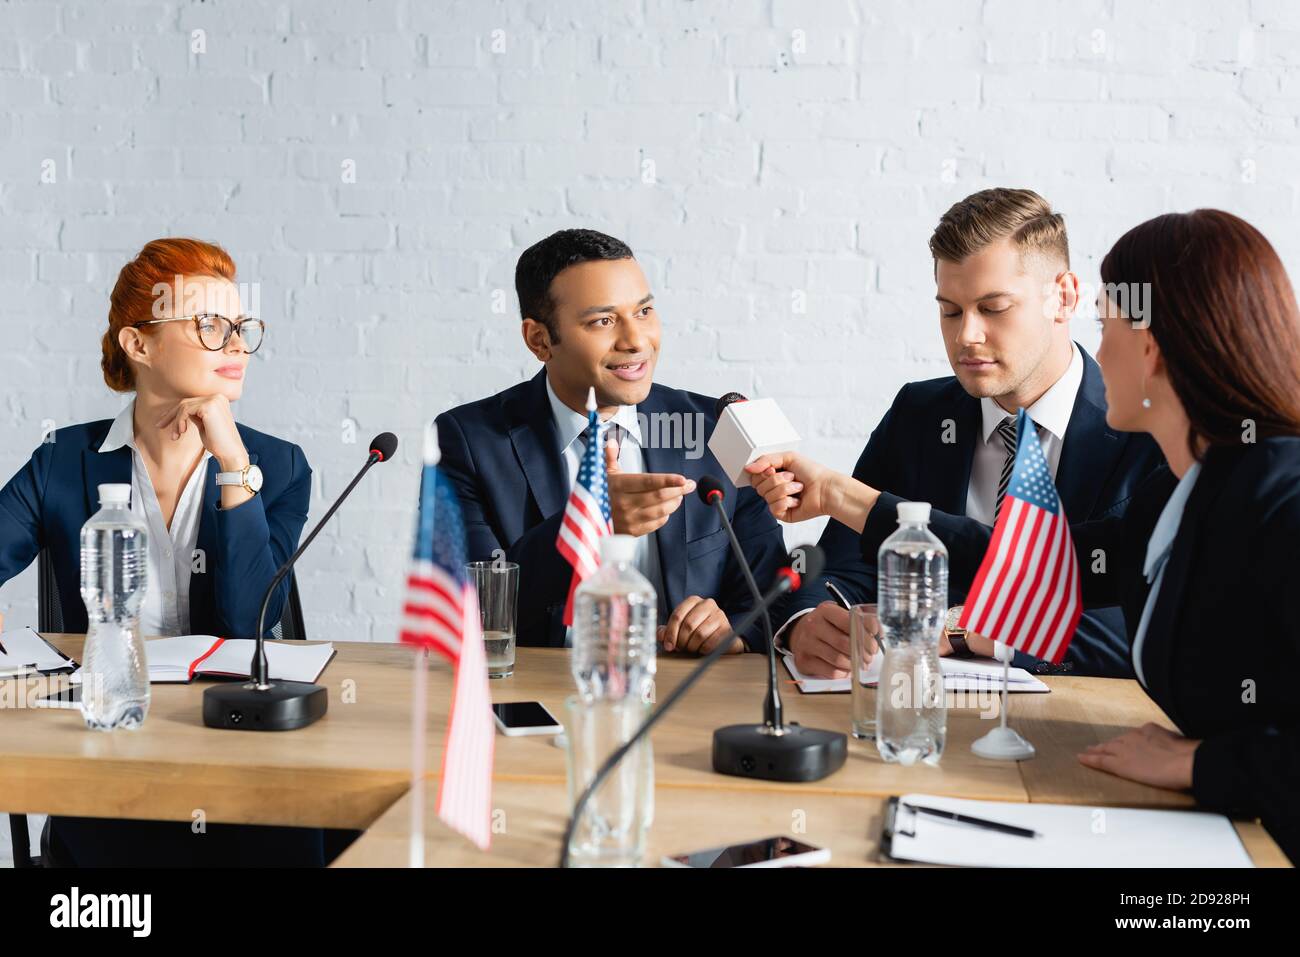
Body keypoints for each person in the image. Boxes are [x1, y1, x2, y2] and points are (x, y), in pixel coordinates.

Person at [750, 210, 1300, 864]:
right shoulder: (1176, 498)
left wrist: (1205, 762)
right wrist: (841, 495)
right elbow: (1030, 568)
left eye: (1105, 325)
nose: (1099, 350)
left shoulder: (1282, 501)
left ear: (1151, 348)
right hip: (1199, 826)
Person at [0, 238, 324, 866]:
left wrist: (234, 465)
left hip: (240, 742)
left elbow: (243, 622)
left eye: (240, 327)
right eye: (208, 325)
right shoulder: (63, 462)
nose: (235, 344)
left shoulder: (280, 467)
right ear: (139, 344)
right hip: (109, 750)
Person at [769, 189, 1163, 680]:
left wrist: (965, 630)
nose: (965, 337)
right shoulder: (919, 413)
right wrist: (807, 622)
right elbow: (842, 565)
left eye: (993, 308)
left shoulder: (1149, 424)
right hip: (919, 715)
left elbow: (1145, 622)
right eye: (950, 311)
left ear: (1062, 298)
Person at [436, 228, 786, 653]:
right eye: (603, 321)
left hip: (686, 699)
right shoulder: (467, 442)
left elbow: (771, 596)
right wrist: (589, 523)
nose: (636, 341)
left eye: (643, 311)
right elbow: (473, 611)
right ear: (539, 339)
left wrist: (733, 630)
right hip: (540, 698)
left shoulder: (713, 428)